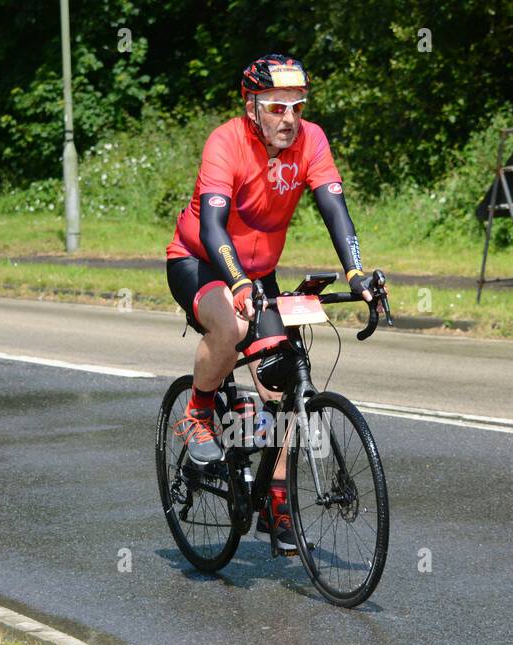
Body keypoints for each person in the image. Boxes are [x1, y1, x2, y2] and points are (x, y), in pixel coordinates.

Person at [164, 54, 384, 552]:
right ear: (251, 108)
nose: (290, 118)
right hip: (200, 260)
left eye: (297, 106)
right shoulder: (226, 142)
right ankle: (197, 413)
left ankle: (276, 499)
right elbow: (211, 226)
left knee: (282, 384)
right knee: (232, 328)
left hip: (258, 272)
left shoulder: (312, 141)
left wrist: (357, 273)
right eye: (277, 107)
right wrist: (238, 283)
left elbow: (335, 209)